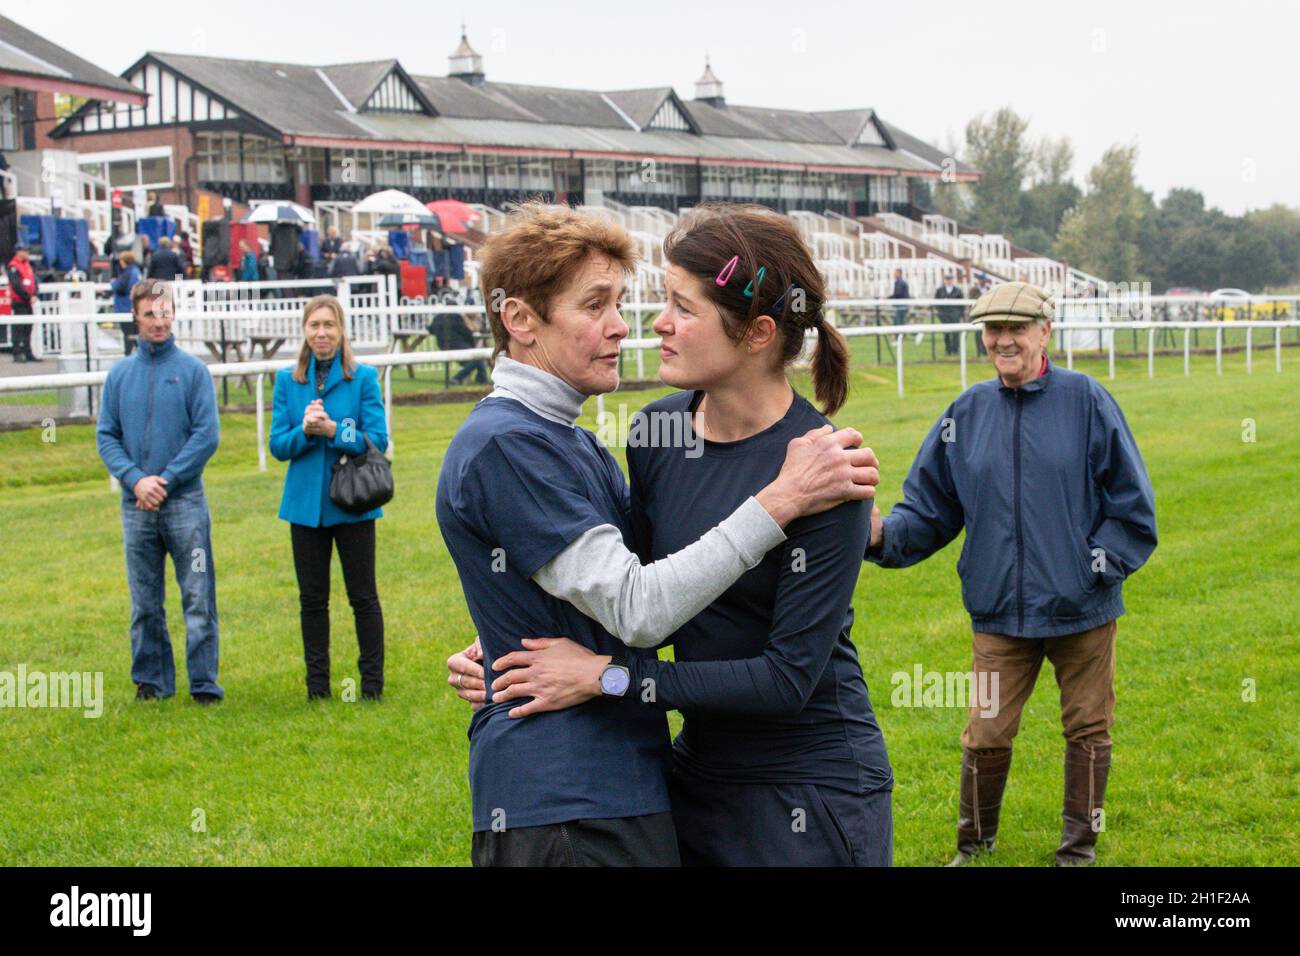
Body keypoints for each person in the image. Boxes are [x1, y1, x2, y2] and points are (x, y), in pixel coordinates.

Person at [436, 202, 879, 867]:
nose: (650, 323)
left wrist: (603, 675)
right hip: (686, 781)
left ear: (757, 333)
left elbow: (784, 680)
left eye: (682, 306)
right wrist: (508, 637)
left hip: (807, 789)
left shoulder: (822, 470)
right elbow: (643, 594)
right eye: (602, 305)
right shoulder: (655, 435)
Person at [864, 282, 1157, 866]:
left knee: (1087, 731)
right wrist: (879, 537)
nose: (1002, 340)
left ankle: (1079, 850)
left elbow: (1133, 506)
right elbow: (930, 509)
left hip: (1083, 611)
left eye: (1016, 329)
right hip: (999, 613)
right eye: (992, 331)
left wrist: (1093, 566)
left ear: (1044, 332)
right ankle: (974, 846)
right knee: (986, 732)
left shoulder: (1087, 401)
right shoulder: (965, 414)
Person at [96, 280, 223, 703]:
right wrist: (135, 479)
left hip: (185, 502)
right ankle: (151, 682)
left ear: (174, 313)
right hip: (136, 506)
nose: (158, 321)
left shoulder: (192, 372)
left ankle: (203, 683)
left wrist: (165, 479)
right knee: (144, 602)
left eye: (164, 312)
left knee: (197, 596)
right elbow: (106, 437)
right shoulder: (118, 377)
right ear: (135, 317)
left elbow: (206, 436)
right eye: (149, 314)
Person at [269, 294, 388, 701]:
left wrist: (336, 430)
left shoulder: (363, 377)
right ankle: (317, 688)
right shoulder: (288, 380)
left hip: (352, 504)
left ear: (341, 330)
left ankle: (371, 686)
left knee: (363, 597)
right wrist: (305, 431)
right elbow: (278, 446)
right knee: (312, 600)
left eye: (329, 325)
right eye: (314, 325)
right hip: (304, 509)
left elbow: (377, 440)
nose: (321, 333)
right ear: (304, 331)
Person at [430, 310, 486, 385]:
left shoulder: (437, 317)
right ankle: (458, 378)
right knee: (477, 358)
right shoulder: (456, 316)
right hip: (456, 346)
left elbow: (431, 329)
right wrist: (472, 344)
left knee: (477, 358)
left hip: (443, 347)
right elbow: (466, 332)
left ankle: (481, 378)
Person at [5, 244, 37, 362]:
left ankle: (28, 352)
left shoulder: (26, 265)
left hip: (28, 300)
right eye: (25, 251)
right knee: (18, 327)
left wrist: (34, 294)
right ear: (19, 252)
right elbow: (16, 285)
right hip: (19, 301)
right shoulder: (13, 266)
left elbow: (34, 281)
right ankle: (17, 353)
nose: (27, 253)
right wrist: (28, 296)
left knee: (28, 328)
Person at [111, 251, 143, 355]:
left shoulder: (127, 273)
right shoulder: (136, 271)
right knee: (135, 333)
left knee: (128, 334)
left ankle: (128, 355)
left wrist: (113, 282)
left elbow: (118, 287)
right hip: (134, 306)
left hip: (125, 307)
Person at [935, 271, 964, 355]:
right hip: (944, 315)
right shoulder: (940, 290)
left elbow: (962, 304)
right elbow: (936, 302)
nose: (949, 281)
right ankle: (948, 350)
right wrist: (940, 312)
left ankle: (955, 350)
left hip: (955, 314)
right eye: (947, 279)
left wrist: (959, 313)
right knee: (946, 333)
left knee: (955, 333)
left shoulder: (958, 291)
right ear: (945, 280)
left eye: (950, 279)